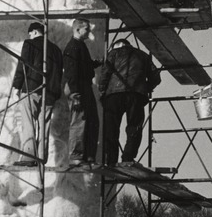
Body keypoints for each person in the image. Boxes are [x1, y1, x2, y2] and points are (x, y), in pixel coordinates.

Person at [98, 38, 161, 167]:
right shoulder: (142, 55)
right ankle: (128, 158)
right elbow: (156, 77)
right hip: (135, 95)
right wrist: (145, 88)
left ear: (117, 45)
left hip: (114, 95)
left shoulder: (113, 53)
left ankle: (111, 160)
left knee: (111, 129)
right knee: (134, 127)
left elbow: (105, 74)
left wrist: (102, 92)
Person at [12, 22, 63, 166]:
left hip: (32, 87)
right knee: (44, 126)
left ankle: (29, 157)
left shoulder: (30, 44)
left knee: (28, 123)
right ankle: (41, 158)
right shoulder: (56, 50)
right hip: (50, 93)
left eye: (30, 34)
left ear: (34, 32)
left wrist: (17, 85)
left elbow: (23, 64)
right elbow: (59, 72)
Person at [62, 18, 100, 167]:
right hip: (77, 86)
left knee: (92, 120)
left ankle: (89, 155)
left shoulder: (81, 46)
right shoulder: (72, 47)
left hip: (84, 86)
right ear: (78, 30)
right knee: (79, 120)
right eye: (87, 29)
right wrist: (75, 94)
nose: (89, 32)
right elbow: (71, 71)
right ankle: (76, 155)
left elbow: (84, 65)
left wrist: (96, 63)